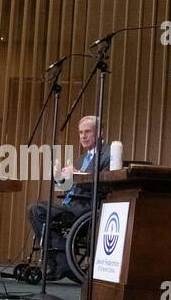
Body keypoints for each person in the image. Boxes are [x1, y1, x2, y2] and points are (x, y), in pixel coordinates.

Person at [27, 115, 111, 280]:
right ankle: (58, 263)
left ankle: (62, 263)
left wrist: (79, 174)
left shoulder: (108, 155)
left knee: (37, 210)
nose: (83, 136)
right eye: (80, 132)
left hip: (86, 208)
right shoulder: (81, 159)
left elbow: (106, 185)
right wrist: (60, 177)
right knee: (36, 210)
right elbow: (68, 187)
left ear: (100, 132)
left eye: (87, 132)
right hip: (72, 204)